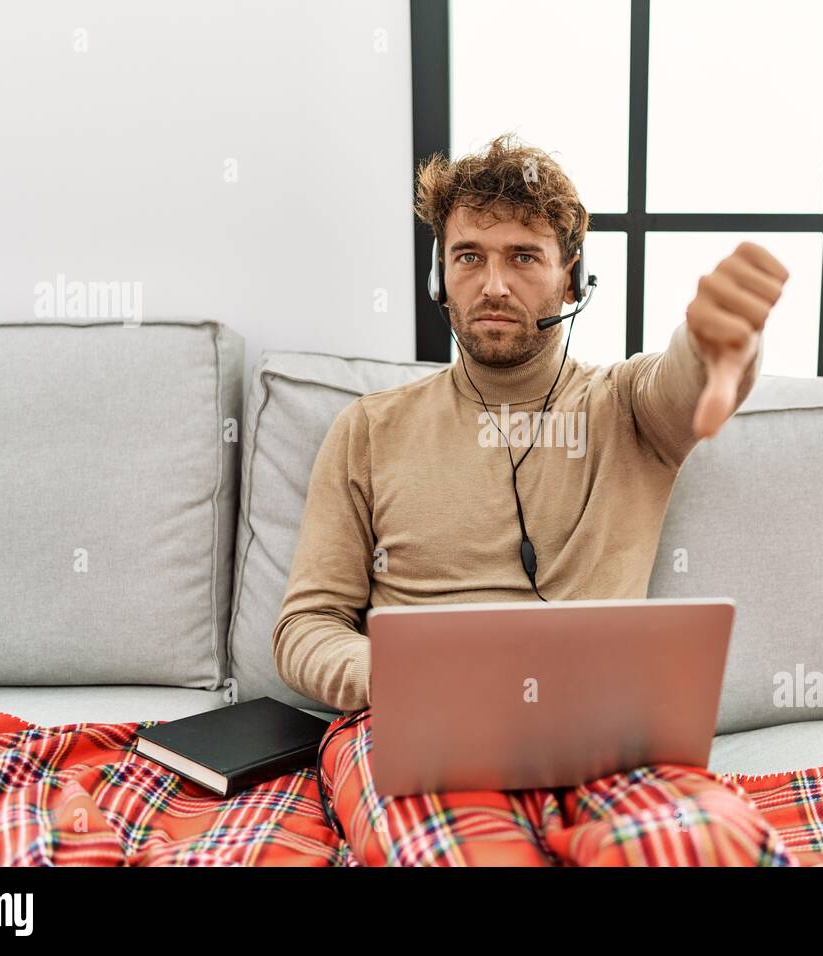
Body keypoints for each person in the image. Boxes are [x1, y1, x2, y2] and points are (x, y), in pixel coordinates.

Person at [272, 131, 790, 866]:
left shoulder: (629, 406)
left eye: (523, 257)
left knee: (701, 846)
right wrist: (399, 678)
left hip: (604, 730)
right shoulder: (368, 430)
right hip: (420, 727)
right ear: (439, 276)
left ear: (572, 279)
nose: (493, 285)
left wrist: (719, 341)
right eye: (468, 256)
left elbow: (688, 378)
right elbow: (305, 626)